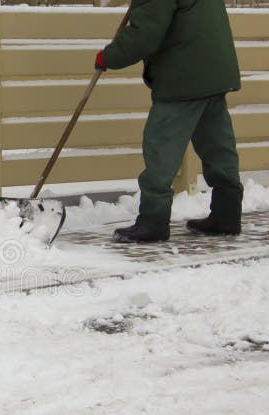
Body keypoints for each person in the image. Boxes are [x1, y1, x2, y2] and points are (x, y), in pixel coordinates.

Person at [96, 0, 245, 243]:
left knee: (160, 148)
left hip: (184, 76)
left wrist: (108, 56)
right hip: (215, 70)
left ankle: (152, 222)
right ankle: (227, 214)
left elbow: (145, 35)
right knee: (217, 146)